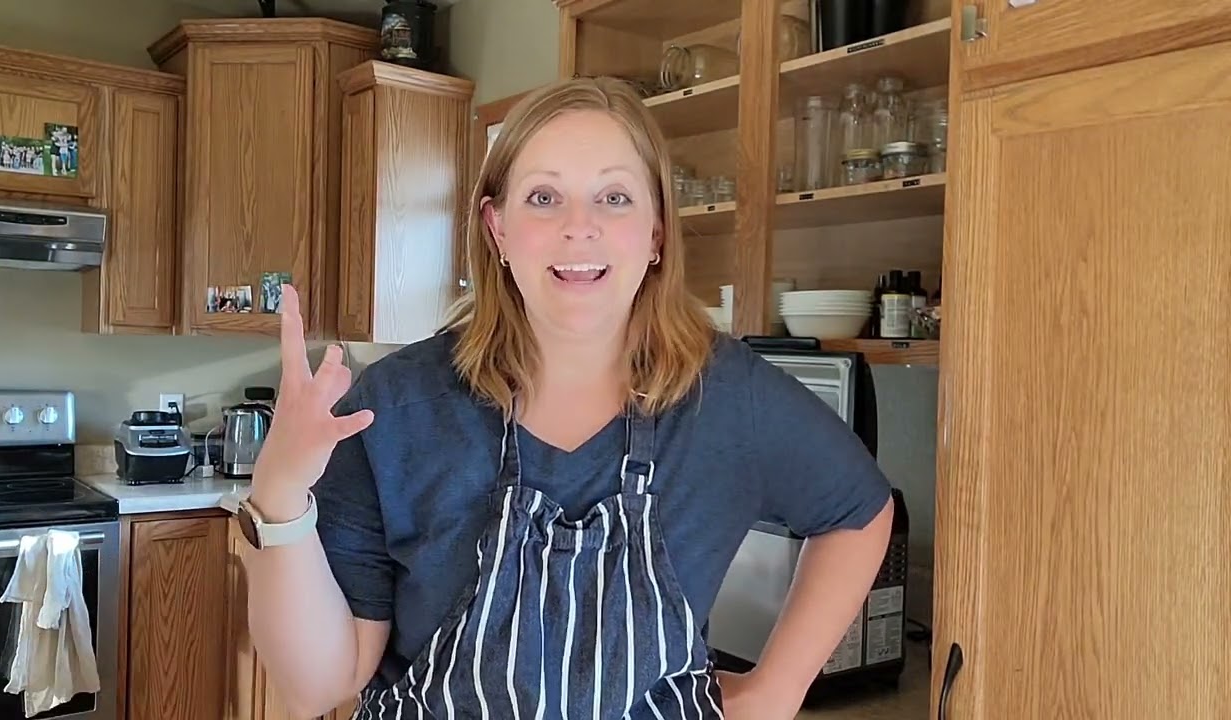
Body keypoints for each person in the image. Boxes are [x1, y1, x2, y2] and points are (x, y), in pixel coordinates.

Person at [238, 76, 894, 720]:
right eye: (544, 197)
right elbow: (317, 686)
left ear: (658, 231)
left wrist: (777, 691)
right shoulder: (394, 408)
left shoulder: (726, 396)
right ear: (496, 228)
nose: (579, 227)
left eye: (613, 196)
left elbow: (860, 511)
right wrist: (279, 492)